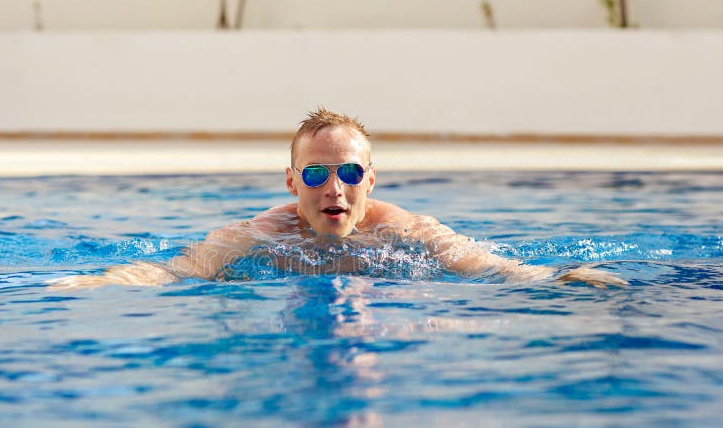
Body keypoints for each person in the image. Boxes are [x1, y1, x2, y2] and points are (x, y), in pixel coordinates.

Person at [49, 108, 627, 290]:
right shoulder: (260, 233)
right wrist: (95, 282)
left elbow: (487, 265)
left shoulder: (405, 229)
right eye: (317, 173)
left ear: (370, 181)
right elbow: (177, 271)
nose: (334, 187)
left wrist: (559, 278)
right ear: (291, 181)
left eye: (350, 170)